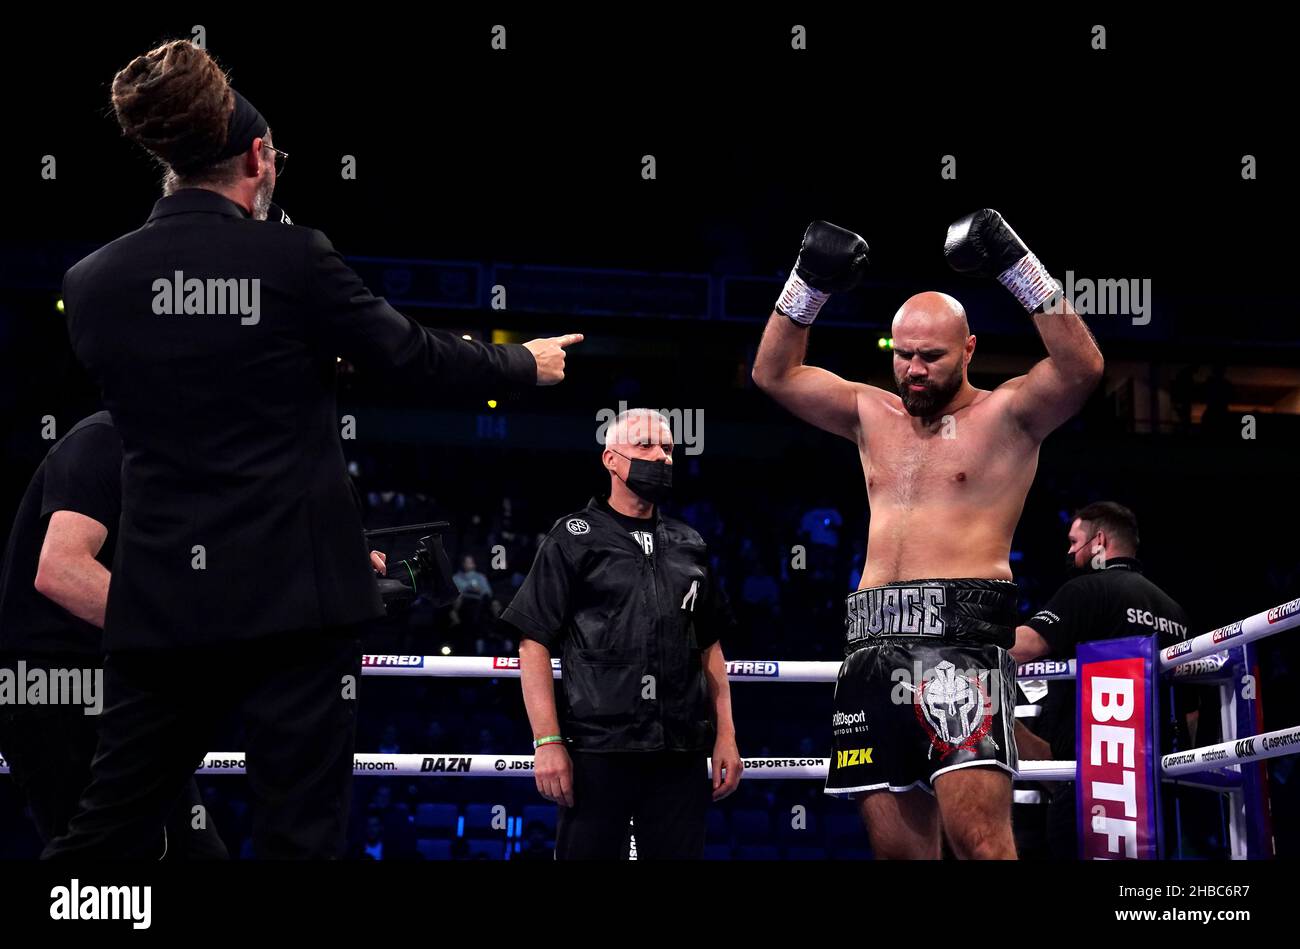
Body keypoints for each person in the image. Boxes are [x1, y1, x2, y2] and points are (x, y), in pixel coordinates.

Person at [44, 39, 578, 859]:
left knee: (103, 834)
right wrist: (522, 362)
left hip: (163, 606)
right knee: (301, 834)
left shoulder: (92, 283)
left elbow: (195, 383)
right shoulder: (293, 259)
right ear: (258, 159)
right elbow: (411, 353)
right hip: (292, 606)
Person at [752, 211, 1104, 859]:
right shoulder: (870, 413)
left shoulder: (1009, 416)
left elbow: (1082, 366)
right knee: (899, 854)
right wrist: (808, 282)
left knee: (981, 845)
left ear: (968, 350)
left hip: (961, 643)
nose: (914, 370)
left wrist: (1016, 264)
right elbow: (773, 374)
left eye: (931, 356)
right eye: (903, 354)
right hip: (870, 643)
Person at [503, 408, 742, 859]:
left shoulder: (689, 542)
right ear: (611, 459)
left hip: (680, 751)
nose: (662, 458)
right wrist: (548, 741)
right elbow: (532, 642)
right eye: (647, 446)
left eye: (669, 449)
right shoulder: (573, 537)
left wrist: (725, 736)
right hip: (598, 749)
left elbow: (709, 646)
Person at [0, 412, 226, 858]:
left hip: (125, 689)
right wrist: (173, 628)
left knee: (194, 853)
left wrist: (342, 567)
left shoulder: (184, 472)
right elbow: (60, 570)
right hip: (52, 689)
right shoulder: (102, 441)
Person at [1010, 501, 1208, 858]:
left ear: (1098, 541)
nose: (1070, 551)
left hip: (1095, 787)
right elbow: (1190, 713)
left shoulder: (1088, 591)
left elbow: (1025, 645)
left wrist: (964, 642)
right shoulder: (1174, 611)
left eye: (1074, 542)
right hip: (1155, 787)